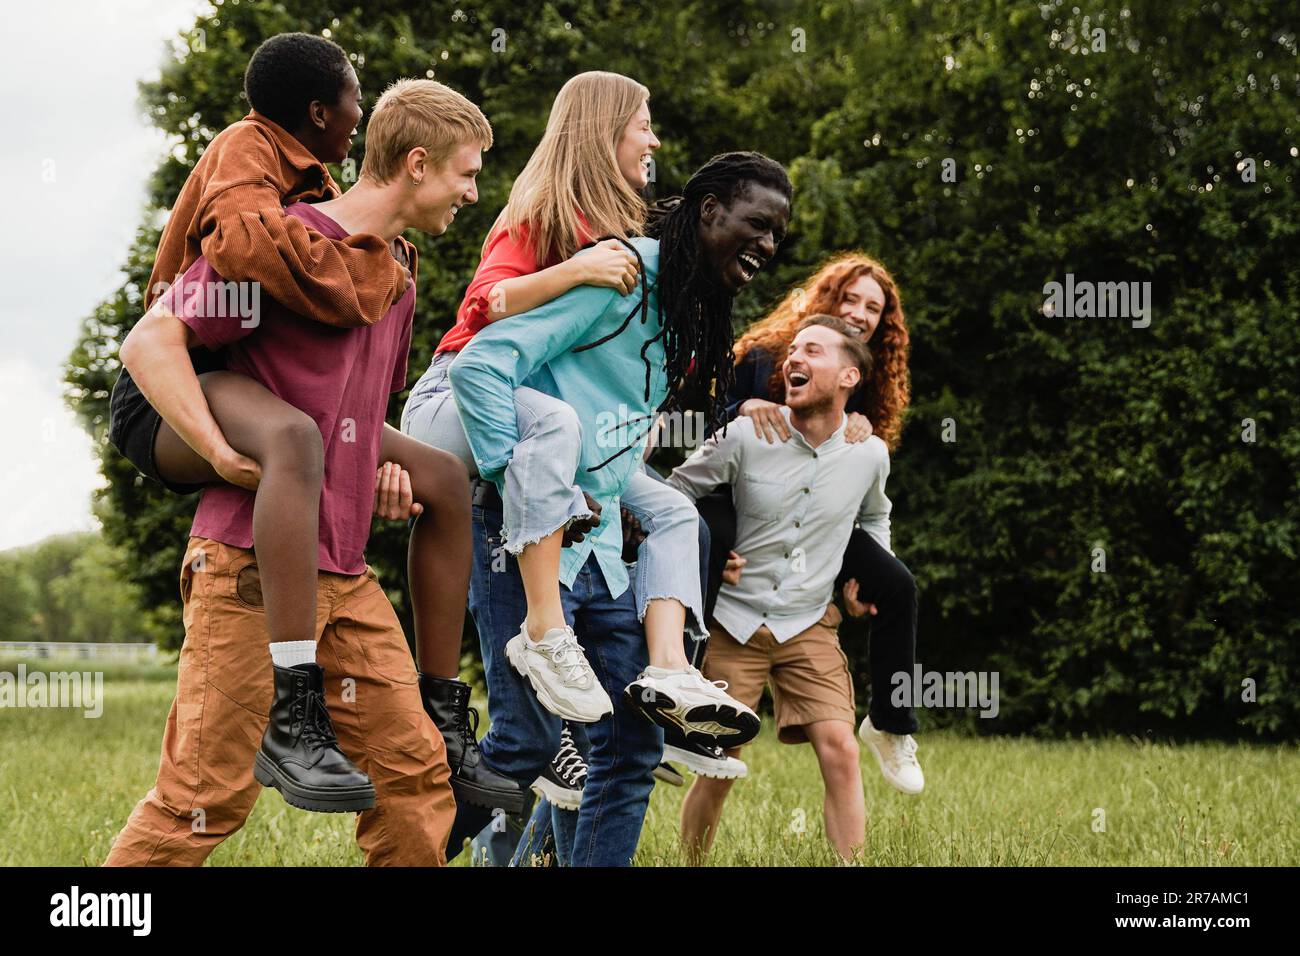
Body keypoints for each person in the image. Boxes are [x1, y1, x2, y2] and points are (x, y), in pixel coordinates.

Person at [107, 33, 523, 815]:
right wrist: (221, 451)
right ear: (419, 165)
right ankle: (290, 712)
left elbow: (362, 414)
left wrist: (383, 468)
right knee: (200, 806)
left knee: (415, 786)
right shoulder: (273, 246)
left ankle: (443, 707)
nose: (475, 195)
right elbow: (152, 341)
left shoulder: (395, 273)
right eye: (468, 174)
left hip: (345, 568)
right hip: (240, 556)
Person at [402, 72, 744, 819]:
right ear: (603, 128)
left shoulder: (625, 225)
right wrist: (579, 268)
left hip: (532, 425)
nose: (653, 140)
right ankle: (544, 632)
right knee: (555, 428)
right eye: (642, 124)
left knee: (672, 510)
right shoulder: (544, 217)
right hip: (455, 396)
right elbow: (484, 310)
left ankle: (670, 675)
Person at [444, 151, 793, 865]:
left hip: (599, 546)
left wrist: (615, 489)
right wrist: (521, 484)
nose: (767, 246)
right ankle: (405, 853)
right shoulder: (624, 277)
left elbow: (614, 425)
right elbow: (480, 365)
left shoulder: (686, 311)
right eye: (757, 225)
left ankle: (672, 672)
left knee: (629, 744)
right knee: (526, 740)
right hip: (525, 539)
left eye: (777, 237)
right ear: (708, 212)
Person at [695, 252, 924, 794]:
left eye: (874, 308)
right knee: (713, 536)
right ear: (827, 300)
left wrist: (855, 580)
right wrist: (745, 406)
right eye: (851, 299)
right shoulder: (768, 354)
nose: (861, 313)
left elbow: (862, 493)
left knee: (897, 585)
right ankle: (680, 670)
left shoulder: (867, 380)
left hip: (814, 515)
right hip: (738, 496)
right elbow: (700, 423)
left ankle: (891, 724)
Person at [670, 316, 892, 861]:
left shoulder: (869, 455)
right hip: (735, 622)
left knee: (841, 749)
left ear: (847, 376)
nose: (794, 358)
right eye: (792, 350)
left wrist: (869, 577)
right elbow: (675, 495)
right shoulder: (745, 435)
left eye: (812, 351)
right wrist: (707, 555)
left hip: (809, 622)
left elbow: (876, 518)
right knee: (719, 764)